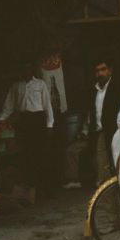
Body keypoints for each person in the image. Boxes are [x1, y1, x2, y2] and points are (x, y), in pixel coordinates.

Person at [0, 62, 54, 199]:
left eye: (28, 68)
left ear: (32, 70)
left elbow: (47, 105)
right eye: (23, 69)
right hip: (24, 121)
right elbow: (9, 104)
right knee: (27, 156)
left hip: (38, 120)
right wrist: (1, 119)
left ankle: (46, 189)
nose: (26, 71)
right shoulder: (16, 86)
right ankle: (31, 190)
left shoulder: (40, 84)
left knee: (42, 155)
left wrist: (50, 124)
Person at [70, 59, 120, 189]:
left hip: (116, 133)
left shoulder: (118, 89)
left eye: (103, 69)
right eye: (97, 71)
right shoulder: (95, 91)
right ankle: (110, 204)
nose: (100, 73)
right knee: (103, 170)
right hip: (100, 134)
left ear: (110, 71)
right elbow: (93, 114)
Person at [38, 46, 69, 186]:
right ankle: (53, 180)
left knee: (60, 147)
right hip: (47, 118)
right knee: (50, 150)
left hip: (59, 117)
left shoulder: (59, 60)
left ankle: (61, 178)